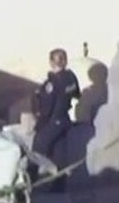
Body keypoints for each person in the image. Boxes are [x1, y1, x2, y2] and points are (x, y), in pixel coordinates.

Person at [31, 48, 82, 193]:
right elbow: (77, 95)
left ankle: (29, 184)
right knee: (59, 155)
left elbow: (47, 107)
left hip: (52, 121)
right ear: (65, 61)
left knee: (36, 150)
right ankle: (58, 187)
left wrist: (39, 125)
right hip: (64, 121)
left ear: (52, 62)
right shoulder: (71, 77)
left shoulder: (52, 82)